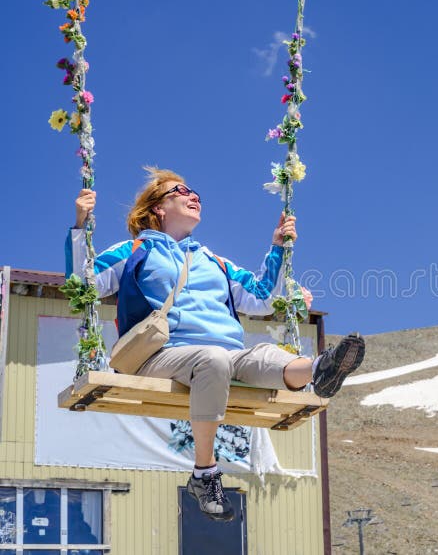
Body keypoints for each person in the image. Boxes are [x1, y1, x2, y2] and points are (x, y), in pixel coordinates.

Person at [67, 166, 365, 521]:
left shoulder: (214, 262)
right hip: (160, 354)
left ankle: (321, 370)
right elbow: (82, 285)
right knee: (214, 359)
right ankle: (205, 473)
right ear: (158, 208)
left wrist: (277, 247)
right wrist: (81, 226)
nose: (194, 196)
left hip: (226, 353)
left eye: (197, 194)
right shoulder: (133, 250)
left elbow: (259, 297)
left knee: (268, 357)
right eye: (182, 191)